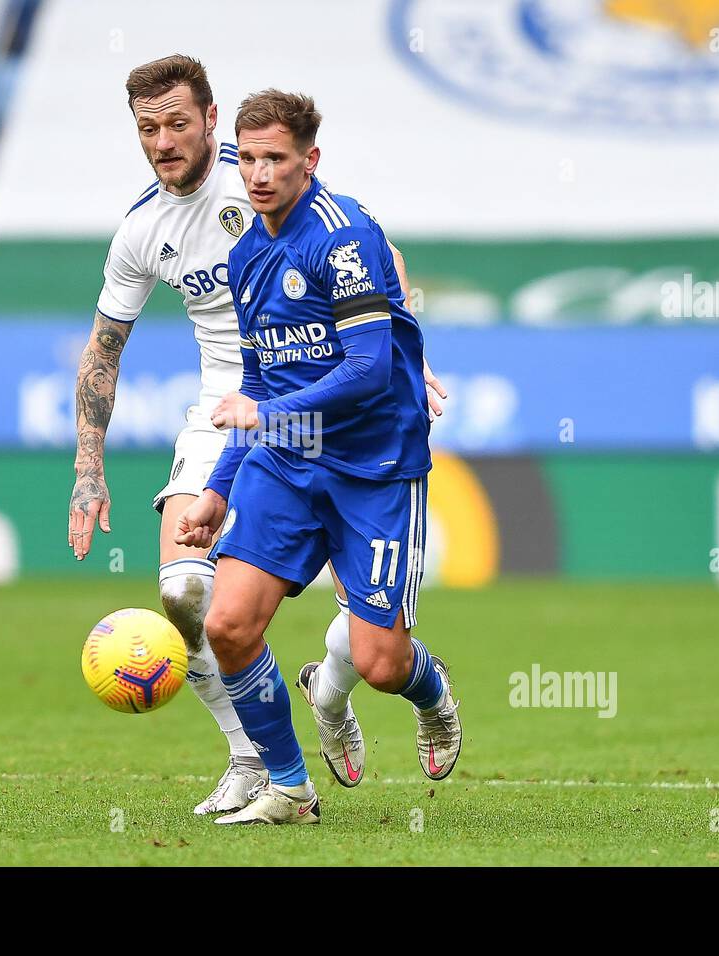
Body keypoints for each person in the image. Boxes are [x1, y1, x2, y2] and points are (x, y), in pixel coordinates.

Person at [68, 56, 447, 816]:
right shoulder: (149, 230)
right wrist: (91, 468)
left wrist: (414, 359)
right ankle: (262, 766)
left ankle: (349, 689)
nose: (165, 140)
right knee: (190, 596)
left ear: (213, 124)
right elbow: (105, 347)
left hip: (338, 424)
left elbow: (377, 268)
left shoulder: (276, 178)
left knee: (377, 655)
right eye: (149, 128)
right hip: (237, 408)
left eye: (179, 122)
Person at [175, 90, 463, 825]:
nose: (260, 173)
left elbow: (368, 369)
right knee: (227, 624)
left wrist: (265, 414)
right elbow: (260, 380)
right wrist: (216, 488)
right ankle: (291, 789)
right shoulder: (245, 256)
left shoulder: (343, 236)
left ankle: (432, 695)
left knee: (381, 663)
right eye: (250, 158)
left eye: (277, 158)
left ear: (311, 159)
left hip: (374, 467)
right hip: (286, 462)